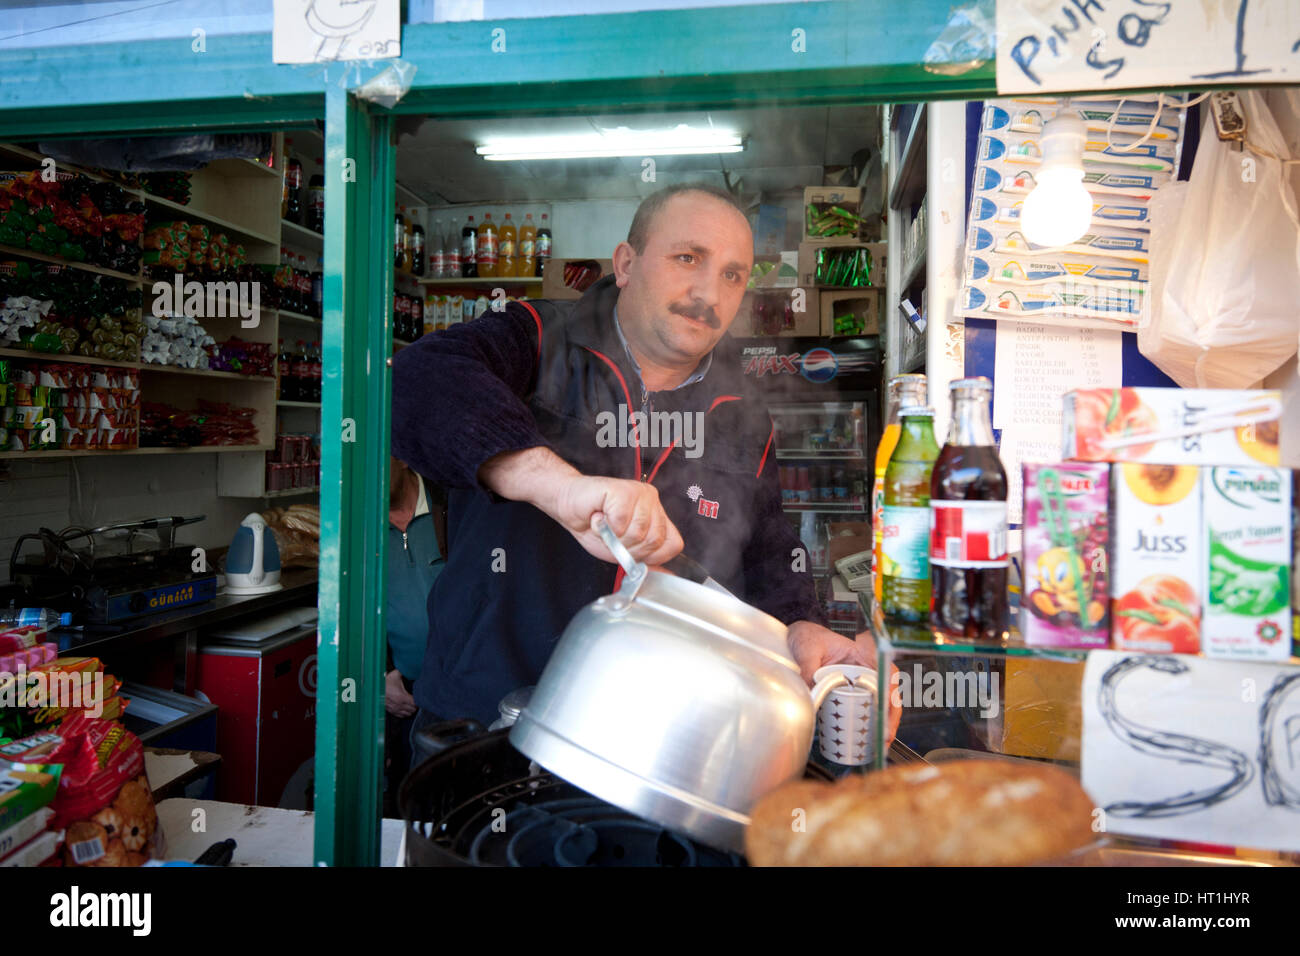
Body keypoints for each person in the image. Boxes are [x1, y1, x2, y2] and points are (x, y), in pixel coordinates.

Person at [392, 182, 892, 742]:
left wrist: (801, 625)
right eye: (688, 258)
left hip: (658, 745)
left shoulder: (743, 414)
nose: (710, 291)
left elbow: (770, 555)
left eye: (732, 274)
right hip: (487, 728)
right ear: (626, 263)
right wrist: (559, 487)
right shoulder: (537, 338)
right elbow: (416, 381)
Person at [383, 456, 444, 807]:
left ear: (404, 457)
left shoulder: (450, 506)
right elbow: (345, 613)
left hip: (457, 687)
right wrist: (382, 678)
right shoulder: (356, 524)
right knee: (408, 797)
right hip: (401, 693)